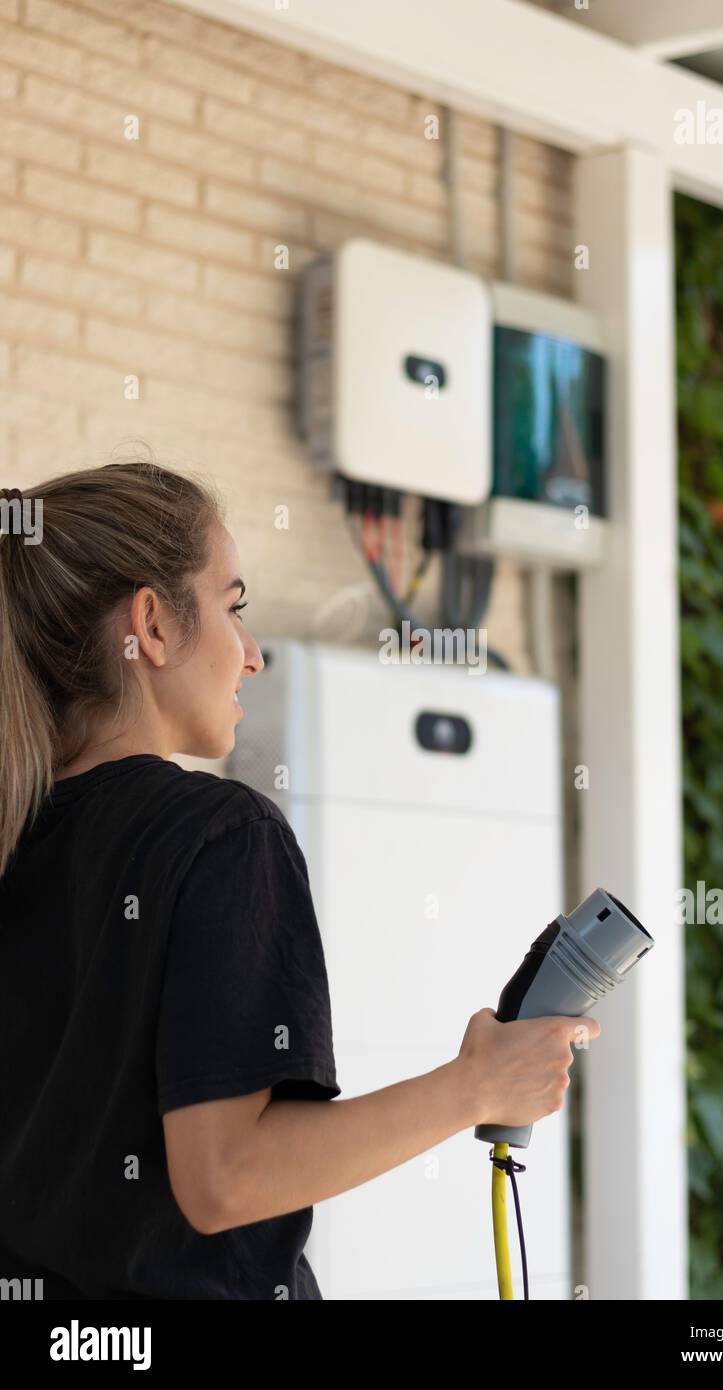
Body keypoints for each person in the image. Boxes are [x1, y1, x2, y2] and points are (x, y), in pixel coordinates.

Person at [0, 456, 600, 1300]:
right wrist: (478, 1086)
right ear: (153, 627)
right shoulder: (219, 836)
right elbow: (225, 1179)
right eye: (232, 606)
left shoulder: (17, 840)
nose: (251, 655)